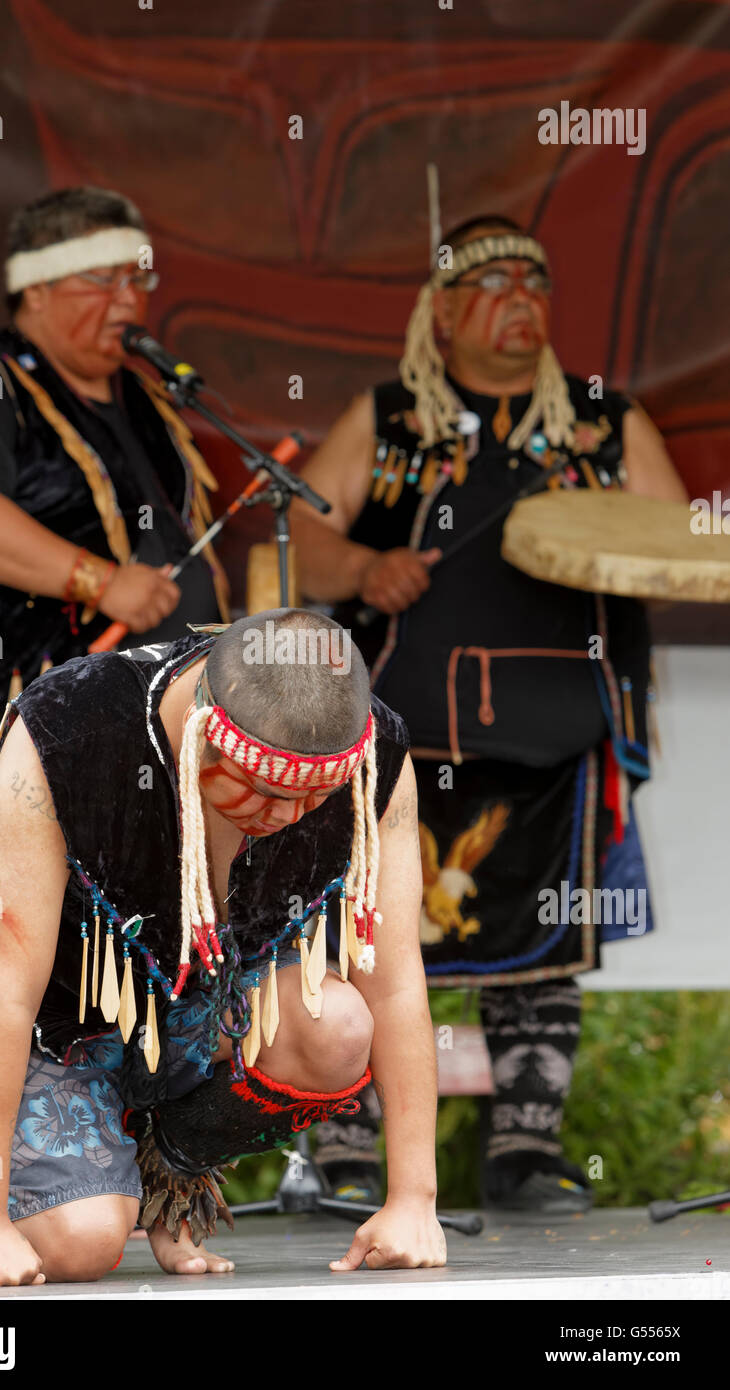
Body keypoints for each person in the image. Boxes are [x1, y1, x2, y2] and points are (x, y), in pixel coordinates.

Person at [289, 215, 688, 1213]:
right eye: (495, 279)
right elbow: (301, 538)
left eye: (536, 280)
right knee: (362, 936)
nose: (522, 296)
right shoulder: (387, 418)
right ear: (443, 309)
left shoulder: (599, 418)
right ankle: (341, 1155)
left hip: (556, 730)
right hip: (399, 738)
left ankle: (522, 1149)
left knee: (546, 937)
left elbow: (672, 544)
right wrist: (364, 567)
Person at [0, 609, 446, 1283]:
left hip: (199, 989)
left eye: (313, 802)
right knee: (82, 1244)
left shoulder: (374, 756)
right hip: (46, 1016)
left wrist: (413, 1201)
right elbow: (5, 988)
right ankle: (14, 1166)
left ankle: (169, 1161)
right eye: (270, 793)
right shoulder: (70, 728)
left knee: (336, 1027)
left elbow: (394, 982)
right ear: (202, 732)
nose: (286, 819)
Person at [0, 186, 227, 1061]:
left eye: (136, 279)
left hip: (135, 734)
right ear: (33, 290)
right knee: (7, 944)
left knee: (121, 955)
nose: (128, 301)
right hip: (5, 719)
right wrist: (99, 582)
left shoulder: (144, 402)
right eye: (98, 280)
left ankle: (129, 1167)